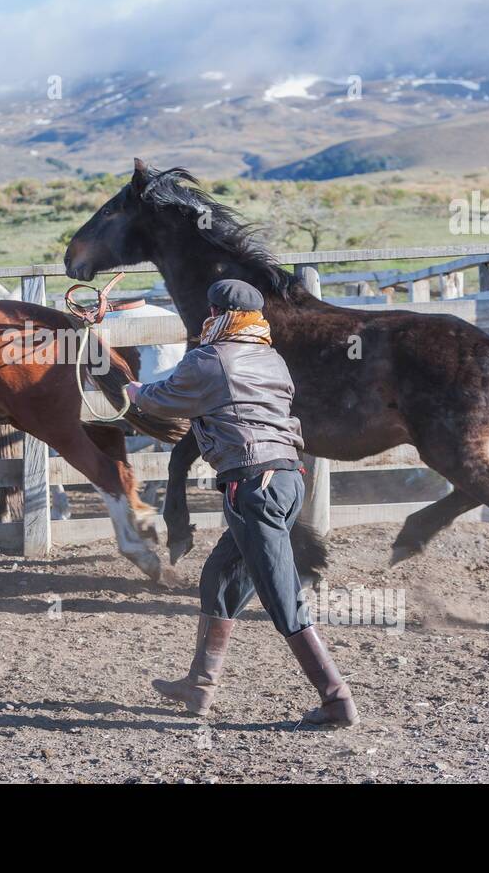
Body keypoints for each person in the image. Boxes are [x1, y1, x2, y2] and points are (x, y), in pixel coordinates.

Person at [126, 278, 359, 728]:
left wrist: (134, 391)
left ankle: (336, 698)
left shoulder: (210, 358)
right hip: (286, 481)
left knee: (282, 596)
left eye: (210, 313)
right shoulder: (271, 358)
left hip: (251, 487)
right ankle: (199, 684)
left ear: (219, 316)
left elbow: (161, 401)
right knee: (219, 575)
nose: (205, 320)